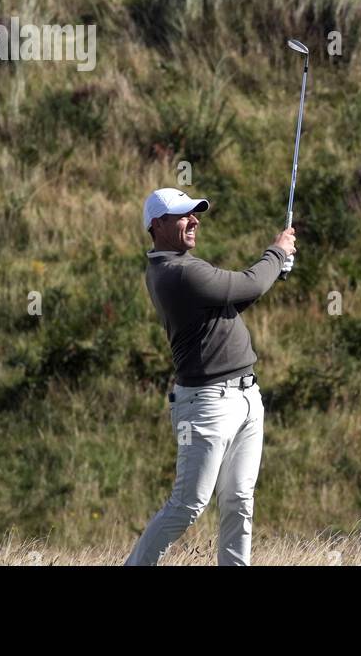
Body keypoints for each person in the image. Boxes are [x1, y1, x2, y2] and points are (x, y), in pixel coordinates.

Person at [125, 187, 296, 566]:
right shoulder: (179, 271)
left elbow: (234, 300)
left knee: (239, 499)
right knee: (188, 504)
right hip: (207, 405)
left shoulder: (175, 269)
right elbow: (248, 284)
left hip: (246, 397)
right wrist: (277, 253)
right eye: (184, 215)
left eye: (195, 213)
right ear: (157, 225)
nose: (195, 220)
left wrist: (273, 270)